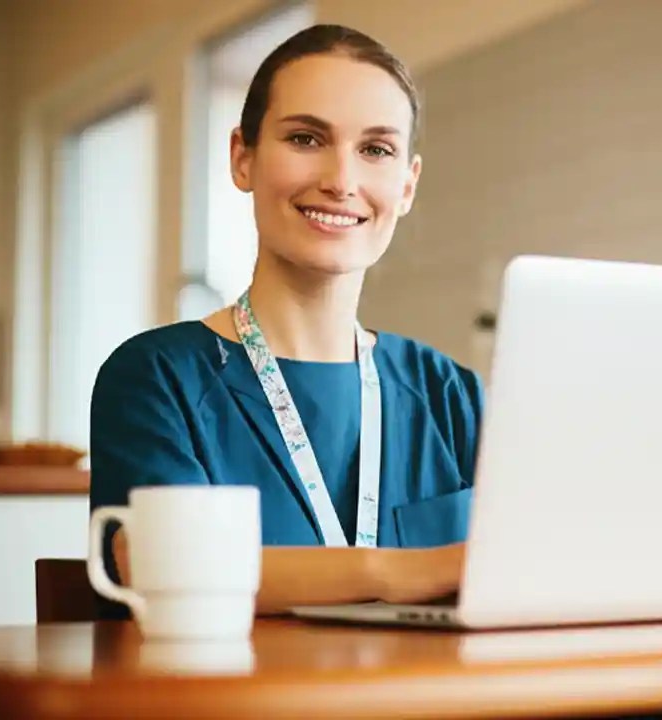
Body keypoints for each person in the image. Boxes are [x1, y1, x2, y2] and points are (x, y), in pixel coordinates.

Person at [89, 24, 482, 617]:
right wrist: (406, 569)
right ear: (242, 158)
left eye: (375, 150)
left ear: (407, 185)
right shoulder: (156, 378)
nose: (341, 181)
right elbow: (158, 564)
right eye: (305, 138)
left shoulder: (450, 394)